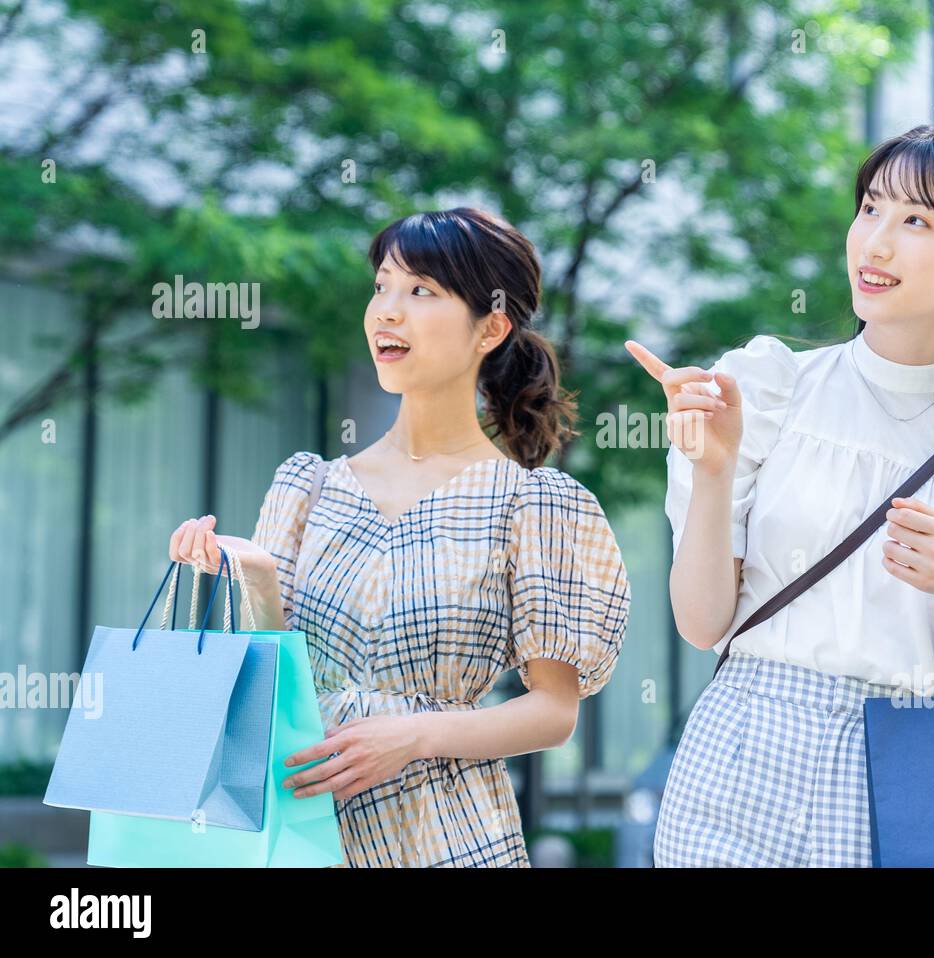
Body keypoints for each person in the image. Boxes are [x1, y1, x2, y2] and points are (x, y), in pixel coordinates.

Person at [628, 123, 934, 867]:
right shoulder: (768, 389)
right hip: (743, 761)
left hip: (918, 778)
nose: (875, 244)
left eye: (916, 221)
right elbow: (701, 620)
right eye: (871, 208)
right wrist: (712, 474)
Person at [168, 207, 631, 867]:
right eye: (383, 286)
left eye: (421, 291)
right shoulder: (311, 488)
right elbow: (278, 684)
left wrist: (413, 736)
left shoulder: (535, 505)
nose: (387, 310)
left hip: (446, 831)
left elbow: (554, 712)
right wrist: (255, 578)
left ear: (491, 327)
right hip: (302, 825)